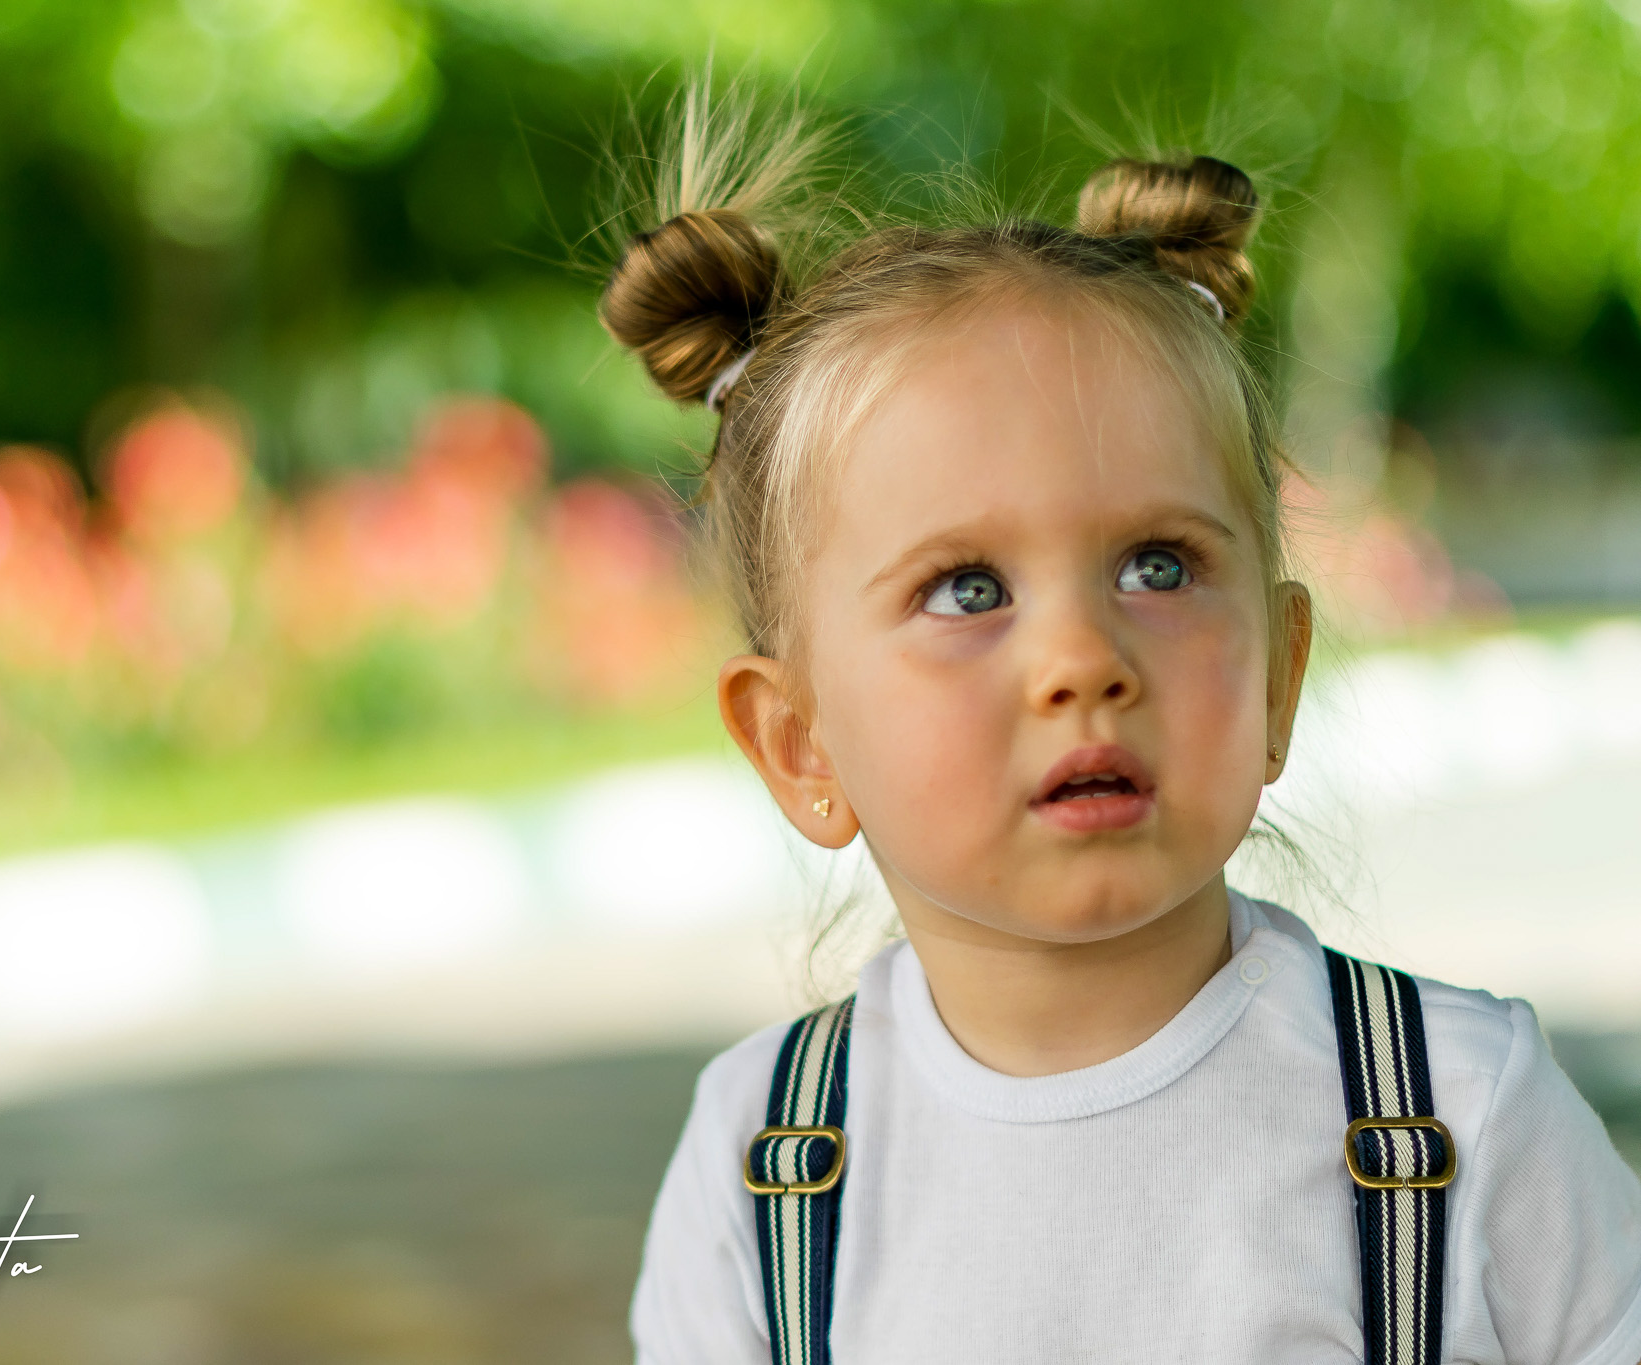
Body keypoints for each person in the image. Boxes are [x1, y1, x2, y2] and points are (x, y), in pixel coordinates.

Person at [599, 97, 1641, 1365]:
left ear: (1275, 676)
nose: (1082, 661)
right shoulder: (762, 1164)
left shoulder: (1459, 1112)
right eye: (966, 591)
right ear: (800, 746)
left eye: (1156, 565)